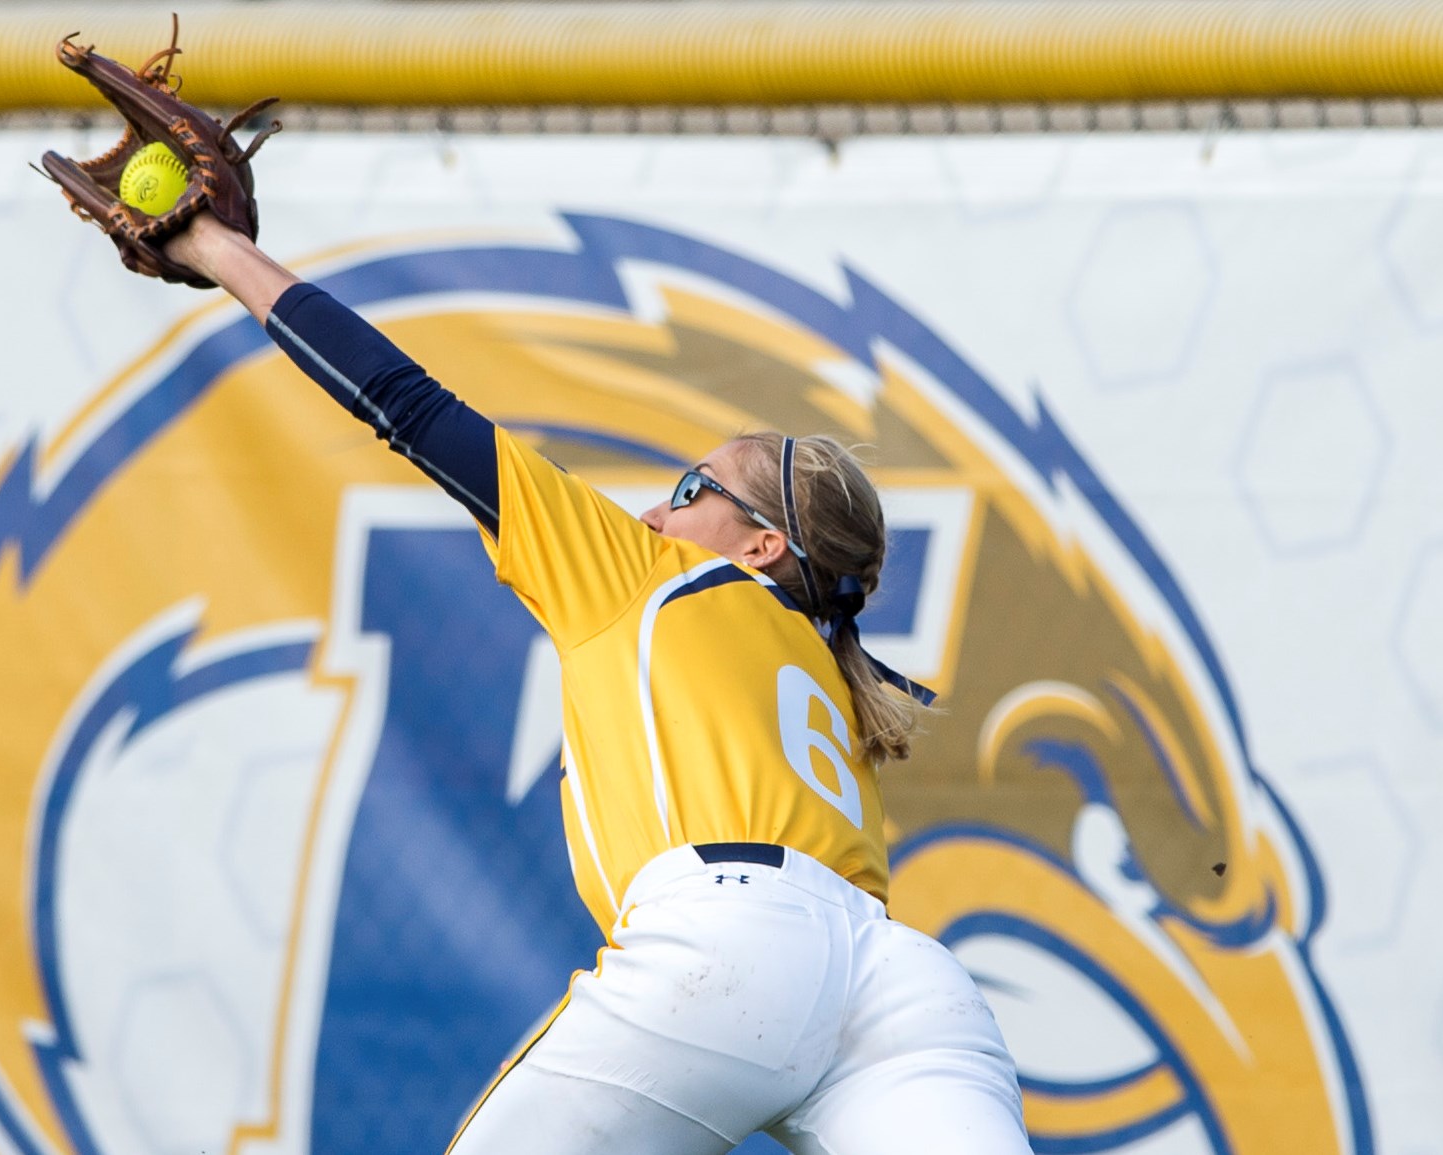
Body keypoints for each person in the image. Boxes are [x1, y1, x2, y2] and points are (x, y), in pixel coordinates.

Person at [159, 212, 1032, 1155]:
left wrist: (213, 248)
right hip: (904, 990)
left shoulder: (655, 576)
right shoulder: (830, 667)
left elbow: (402, 402)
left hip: (728, 944)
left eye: (694, 489)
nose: (658, 508)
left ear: (762, 544)